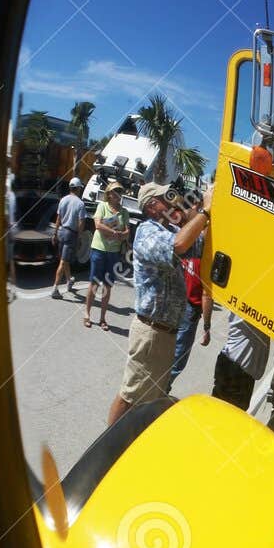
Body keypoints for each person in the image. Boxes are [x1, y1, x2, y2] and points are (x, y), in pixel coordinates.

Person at [108, 181, 211, 425]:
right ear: (153, 206)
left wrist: (196, 212)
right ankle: (106, 450)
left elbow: (201, 245)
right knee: (130, 395)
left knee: (151, 398)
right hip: (151, 331)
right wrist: (206, 210)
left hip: (165, 333)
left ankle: (131, 442)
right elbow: (179, 246)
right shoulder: (147, 230)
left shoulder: (170, 231)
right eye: (167, 197)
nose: (173, 200)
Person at [85, 180, 129, 331]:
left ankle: (103, 319)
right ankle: (87, 315)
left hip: (113, 253)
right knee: (94, 283)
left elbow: (127, 232)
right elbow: (97, 225)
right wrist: (115, 233)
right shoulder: (101, 206)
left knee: (108, 286)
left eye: (120, 191)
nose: (118, 194)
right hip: (99, 249)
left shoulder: (124, 212)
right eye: (115, 191)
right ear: (109, 194)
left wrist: (121, 235)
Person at [168, 236, 212, 387]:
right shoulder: (207, 261)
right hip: (190, 309)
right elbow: (206, 295)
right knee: (178, 359)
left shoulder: (185, 251)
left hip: (174, 302)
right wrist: (206, 328)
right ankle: (160, 390)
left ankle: (156, 387)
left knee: (166, 349)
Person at [212, 313, 270, 411]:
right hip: (236, 369)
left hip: (236, 366)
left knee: (224, 409)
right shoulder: (255, 309)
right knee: (230, 411)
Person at [51, 177, 86, 298]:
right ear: (79, 189)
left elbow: (58, 218)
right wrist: (80, 238)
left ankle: (69, 280)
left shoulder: (63, 200)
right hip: (71, 234)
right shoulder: (80, 203)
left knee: (64, 259)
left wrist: (55, 233)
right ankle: (55, 288)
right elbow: (81, 222)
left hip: (61, 232)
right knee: (63, 261)